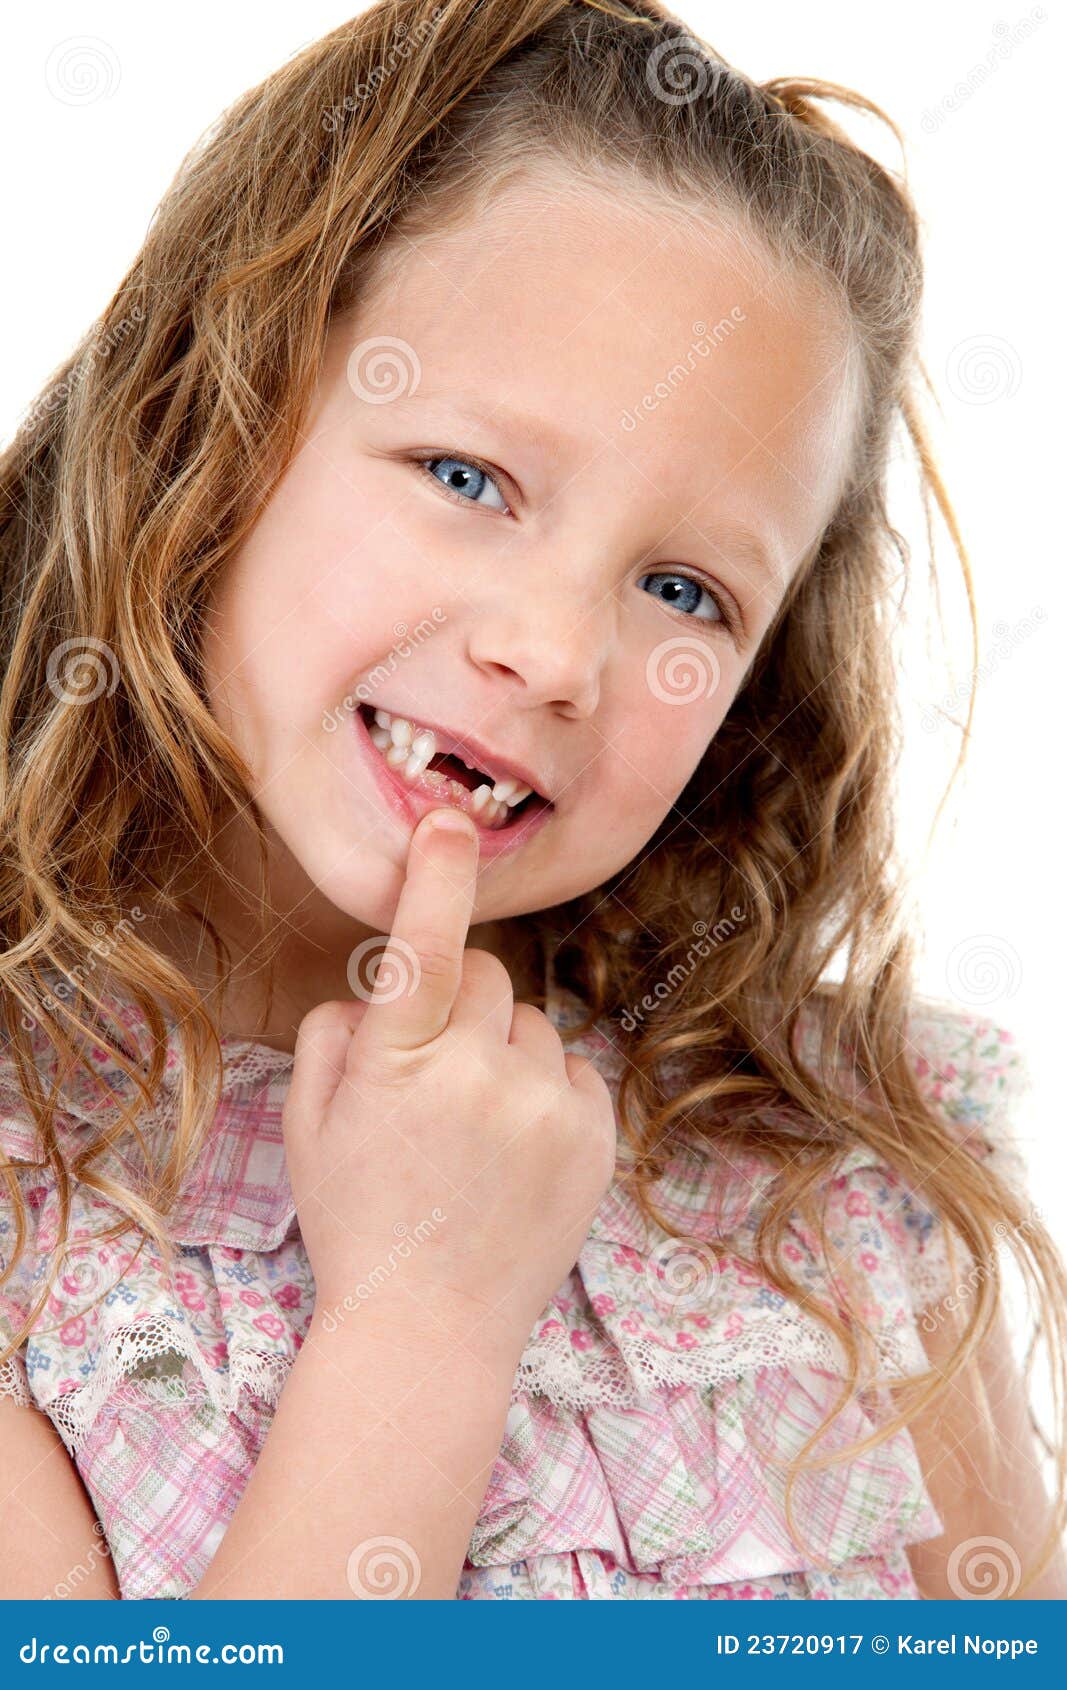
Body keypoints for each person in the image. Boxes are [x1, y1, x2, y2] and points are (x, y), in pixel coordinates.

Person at [1, 0, 1064, 1601]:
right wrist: (423, 1320)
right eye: (464, 478)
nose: (557, 652)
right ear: (206, 423)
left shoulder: (815, 1181)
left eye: (686, 590)